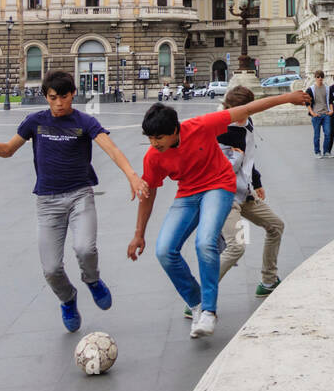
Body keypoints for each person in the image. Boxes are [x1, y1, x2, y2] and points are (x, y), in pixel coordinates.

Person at [0, 70, 146, 332]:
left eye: (64, 97)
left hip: (79, 196)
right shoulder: (35, 122)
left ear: (73, 94)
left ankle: (92, 280)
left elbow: (111, 148)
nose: (59, 103)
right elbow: (7, 150)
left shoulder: (84, 121)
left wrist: (132, 175)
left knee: (85, 249)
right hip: (47, 202)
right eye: (53, 98)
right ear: (46, 97)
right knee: (51, 269)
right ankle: (68, 299)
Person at [127, 88, 311, 338]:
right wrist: (139, 234)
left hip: (219, 186)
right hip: (188, 194)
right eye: (150, 138)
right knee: (164, 250)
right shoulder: (153, 157)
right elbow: (148, 195)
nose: (154, 144)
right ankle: (196, 303)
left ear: (175, 131)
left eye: (159, 138)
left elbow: (248, 109)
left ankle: (209, 312)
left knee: (205, 243)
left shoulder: (201, 125)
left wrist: (287, 98)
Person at [214, 86, 284, 300]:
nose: (246, 116)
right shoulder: (221, 130)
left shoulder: (247, 123)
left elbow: (248, 156)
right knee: (237, 247)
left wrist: (257, 181)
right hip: (226, 197)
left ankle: (268, 280)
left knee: (276, 226)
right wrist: (235, 159)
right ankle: (197, 296)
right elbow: (219, 168)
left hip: (245, 193)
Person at [306, 70, 331, 158]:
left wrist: (330, 110)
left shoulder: (327, 88)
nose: (320, 78)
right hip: (316, 114)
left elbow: (330, 100)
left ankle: (326, 151)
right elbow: (307, 102)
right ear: (315, 78)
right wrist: (312, 113)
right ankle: (317, 152)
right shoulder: (311, 89)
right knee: (317, 135)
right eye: (318, 77)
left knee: (328, 133)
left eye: (321, 77)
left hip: (326, 114)